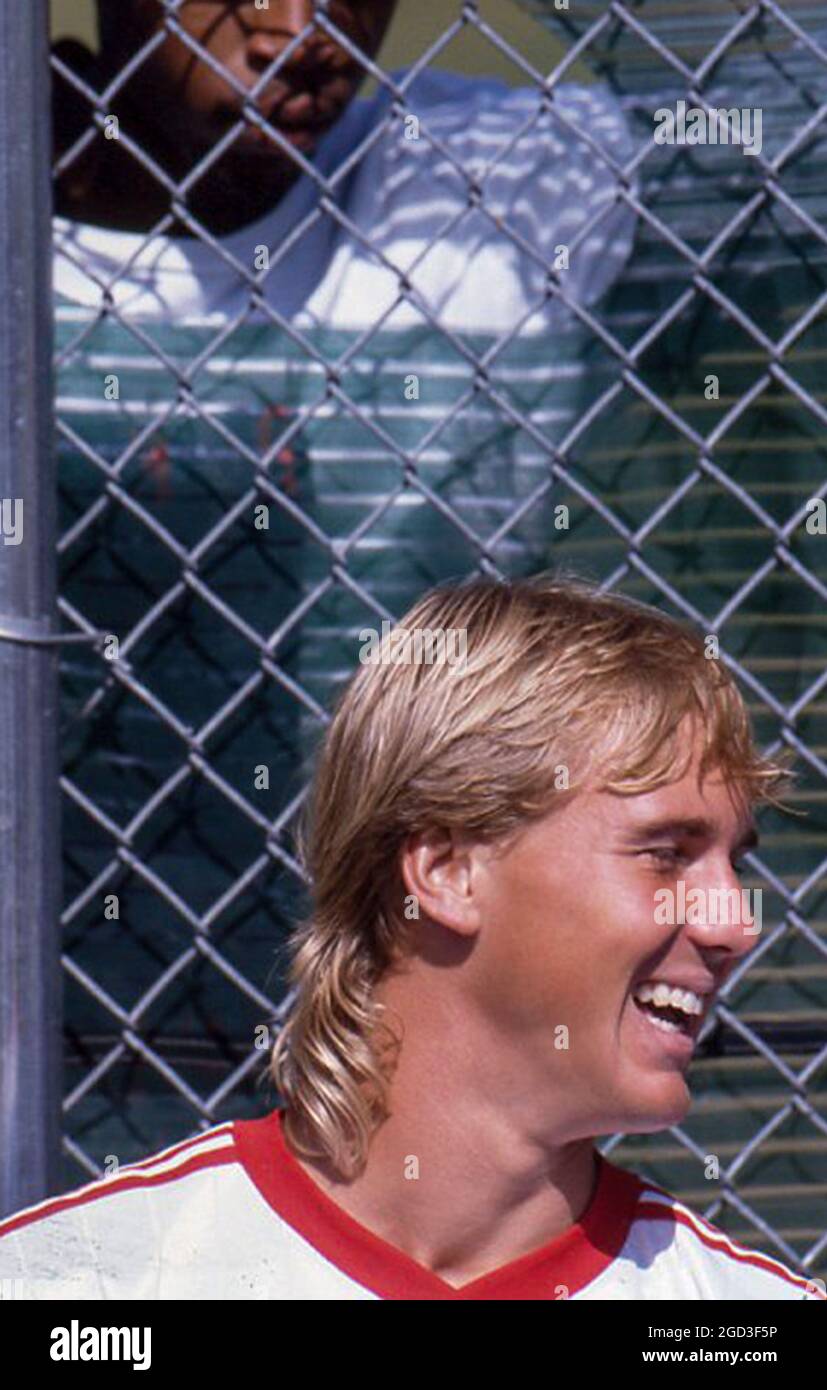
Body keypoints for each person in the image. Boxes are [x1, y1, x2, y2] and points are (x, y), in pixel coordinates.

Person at [52, 1, 639, 1126]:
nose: (296, 27)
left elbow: (736, 90)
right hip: (82, 921)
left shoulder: (486, 187)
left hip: (390, 962)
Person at [2, 574, 824, 1299]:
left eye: (732, 862)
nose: (736, 925)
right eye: (665, 853)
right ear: (446, 870)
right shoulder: (88, 1285)